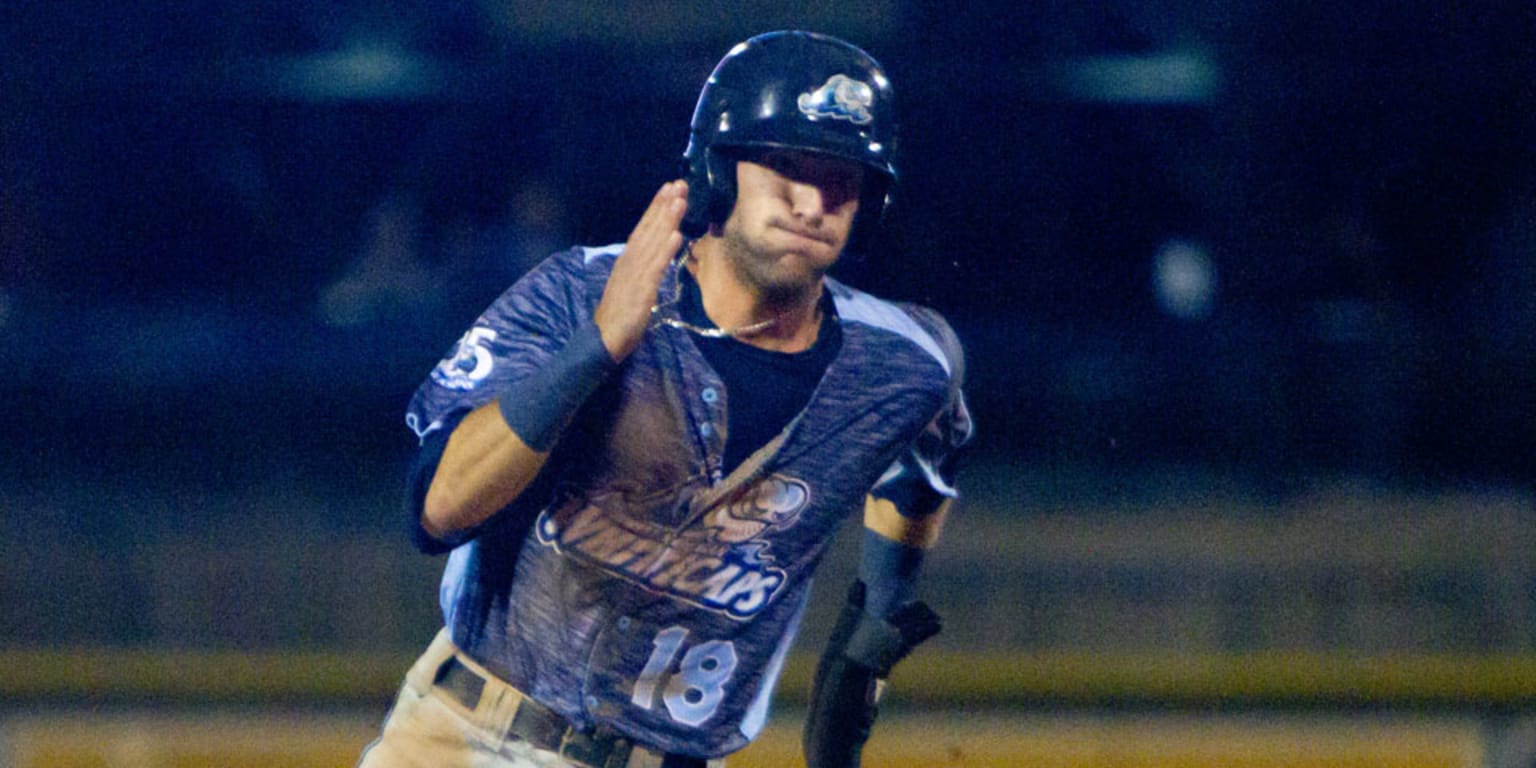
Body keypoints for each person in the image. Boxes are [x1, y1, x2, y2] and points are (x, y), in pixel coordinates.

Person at [357, 30, 973, 768]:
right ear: (717, 170)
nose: (812, 200)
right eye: (784, 165)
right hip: (476, 735)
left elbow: (926, 461)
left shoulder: (902, 365)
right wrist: (597, 348)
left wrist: (869, 640)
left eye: (842, 178)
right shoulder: (579, 291)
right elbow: (436, 508)